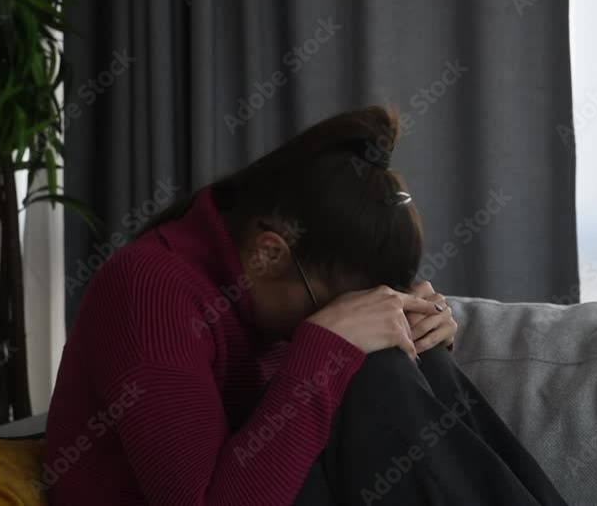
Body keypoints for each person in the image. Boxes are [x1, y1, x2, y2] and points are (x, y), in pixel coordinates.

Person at [44, 106, 569, 505]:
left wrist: (411, 324)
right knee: (371, 369)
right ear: (270, 252)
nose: (338, 316)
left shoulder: (263, 293)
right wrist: (328, 346)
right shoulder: (149, 288)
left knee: (405, 355)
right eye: (332, 303)